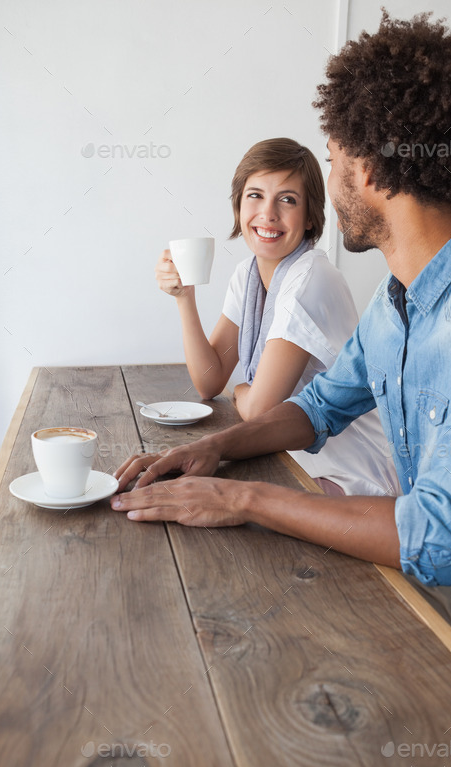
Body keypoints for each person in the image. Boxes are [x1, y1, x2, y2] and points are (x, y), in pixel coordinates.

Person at [112, 12, 451, 686]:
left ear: (372, 167)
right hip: (442, 567)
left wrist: (243, 501)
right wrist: (213, 449)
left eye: (332, 160)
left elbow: (439, 537)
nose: (330, 179)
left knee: (286, 642)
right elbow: (318, 406)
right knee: (241, 585)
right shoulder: (398, 301)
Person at [155, 137, 398, 497]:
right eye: (255, 195)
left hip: (353, 475)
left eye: (287, 200)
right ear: (238, 205)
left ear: (311, 215)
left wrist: (240, 391)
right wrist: (184, 299)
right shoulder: (248, 275)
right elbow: (208, 382)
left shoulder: (310, 278)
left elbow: (258, 410)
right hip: (296, 461)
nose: (268, 213)